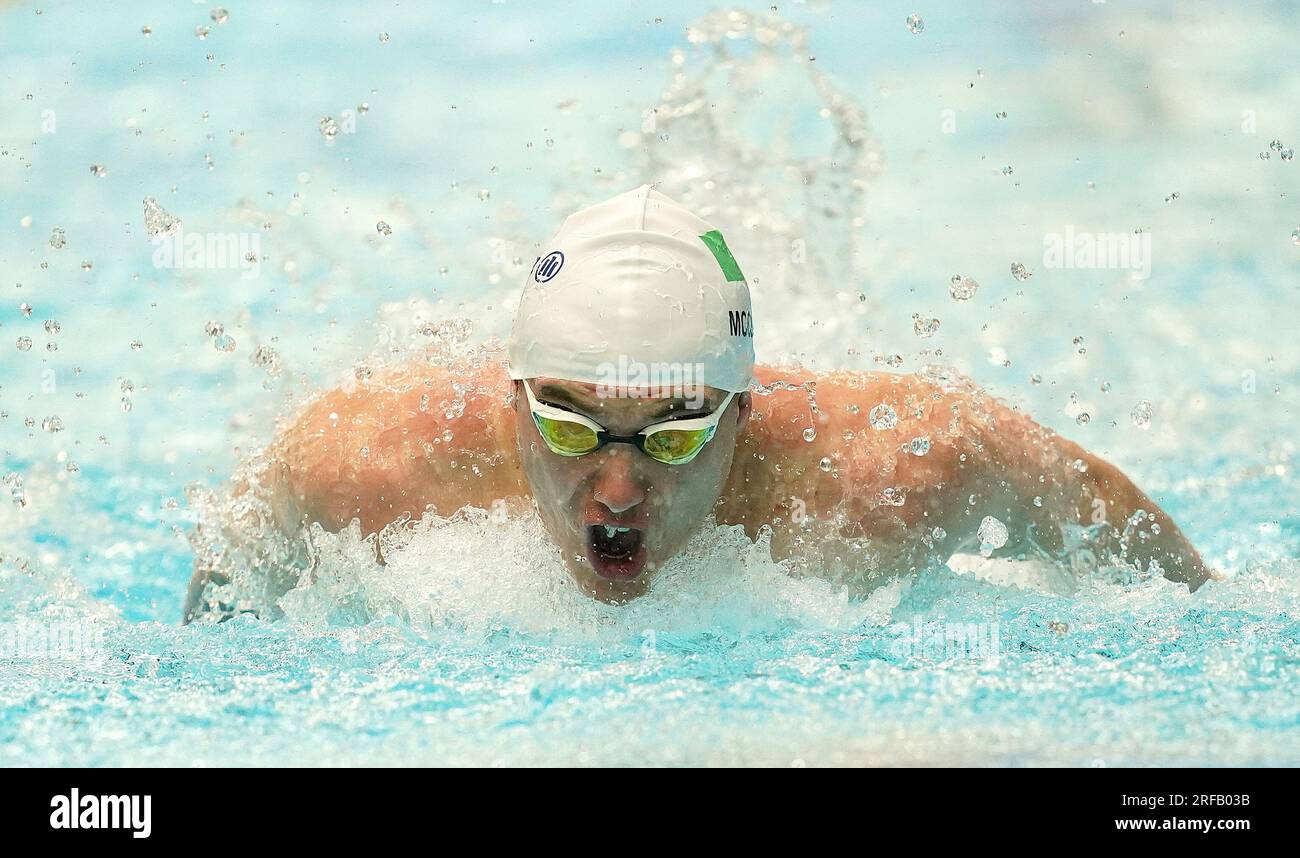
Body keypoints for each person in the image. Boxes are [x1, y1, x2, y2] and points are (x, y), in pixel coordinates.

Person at [183, 185, 1210, 621]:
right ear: (511, 407)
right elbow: (203, 670)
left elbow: (1189, 620)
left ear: (743, 414)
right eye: (570, 425)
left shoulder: (905, 465)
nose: (619, 485)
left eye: (674, 433)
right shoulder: (354, 464)